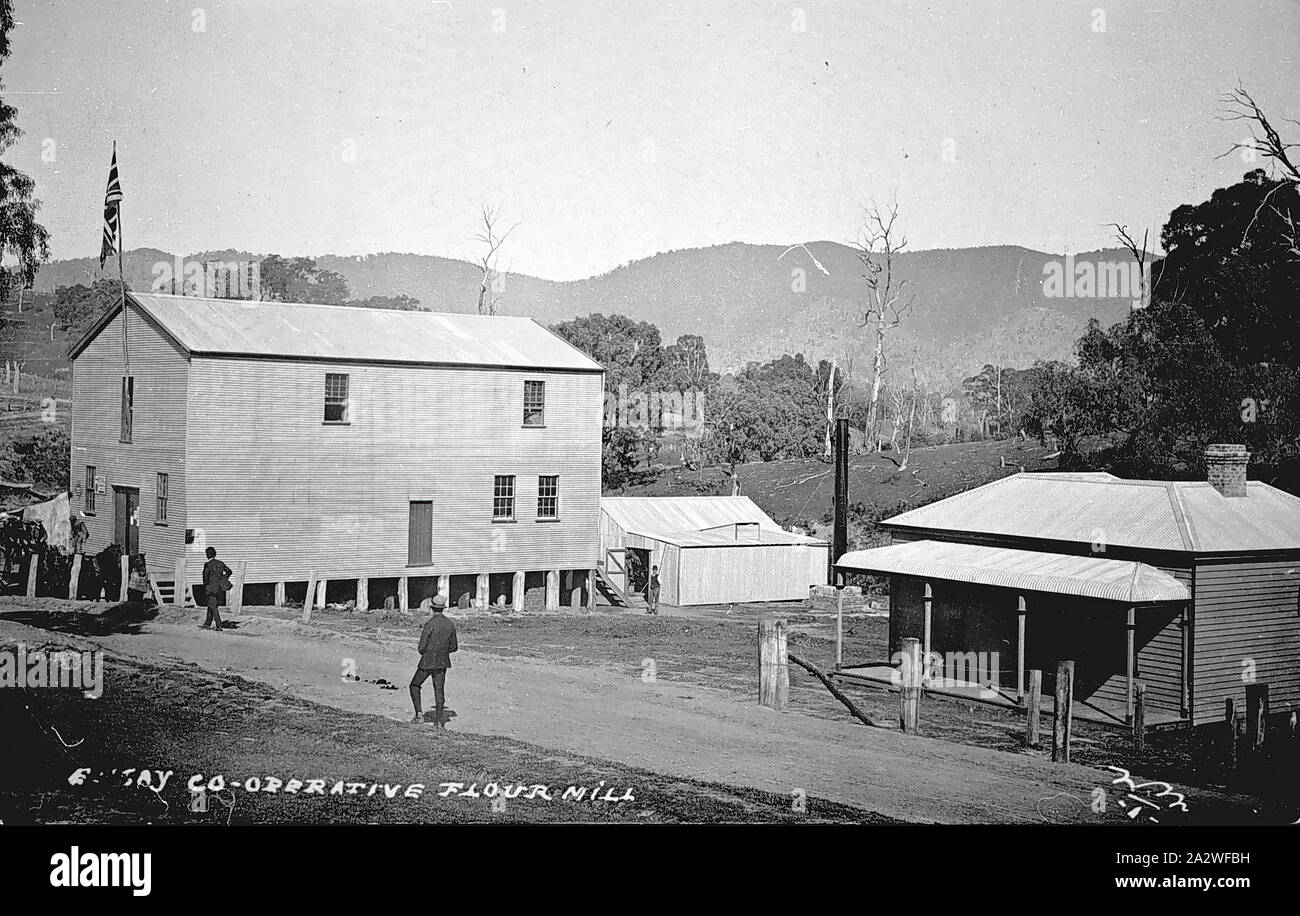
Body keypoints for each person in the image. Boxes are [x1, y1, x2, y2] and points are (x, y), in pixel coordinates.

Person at [410, 594, 458, 725]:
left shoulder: (429, 624)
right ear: (443, 608)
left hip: (427, 661)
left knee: (414, 685)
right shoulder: (450, 624)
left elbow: (421, 648)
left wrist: (430, 652)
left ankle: (419, 715)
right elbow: (454, 647)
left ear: (432, 608)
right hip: (442, 661)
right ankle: (439, 721)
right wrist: (442, 651)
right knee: (439, 689)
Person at [201, 546, 232, 631]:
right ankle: (207, 623)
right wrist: (223, 578)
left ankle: (219, 625)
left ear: (207, 555)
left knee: (213, 606)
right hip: (219, 588)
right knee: (211, 605)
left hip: (211, 588)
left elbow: (205, 578)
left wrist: (206, 585)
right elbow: (229, 571)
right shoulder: (220, 563)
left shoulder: (208, 565)